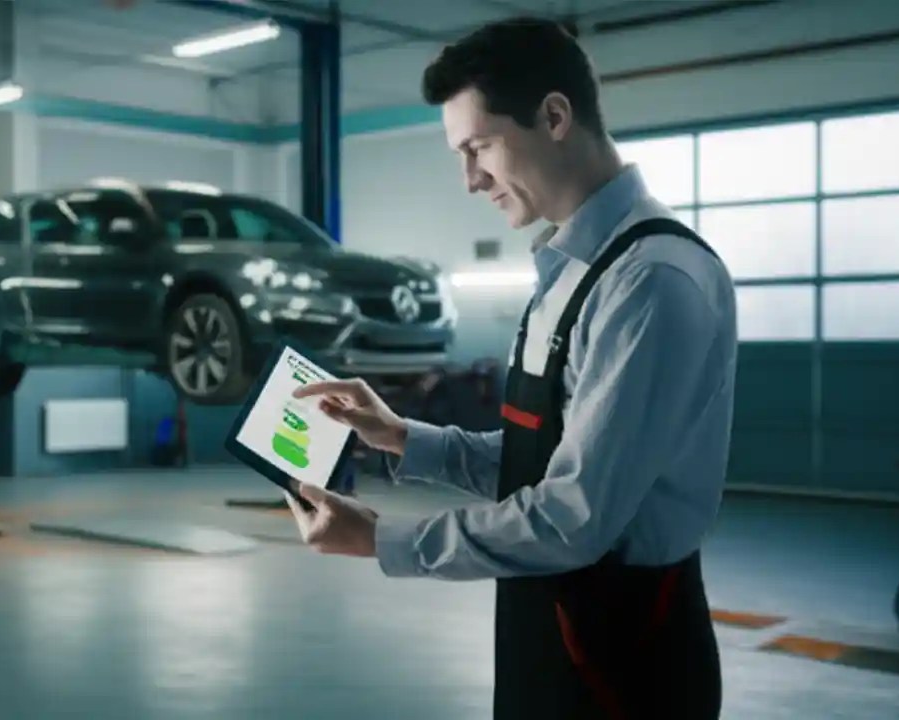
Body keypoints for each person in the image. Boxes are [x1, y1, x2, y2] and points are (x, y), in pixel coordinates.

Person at [285, 17, 737, 719]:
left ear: (554, 116)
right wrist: (403, 437)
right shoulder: (566, 271)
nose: (470, 181)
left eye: (480, 147)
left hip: (628, 658)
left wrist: (381, 538)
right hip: (549, 627)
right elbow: (544, 459)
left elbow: (573, 516)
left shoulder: (651, 282)